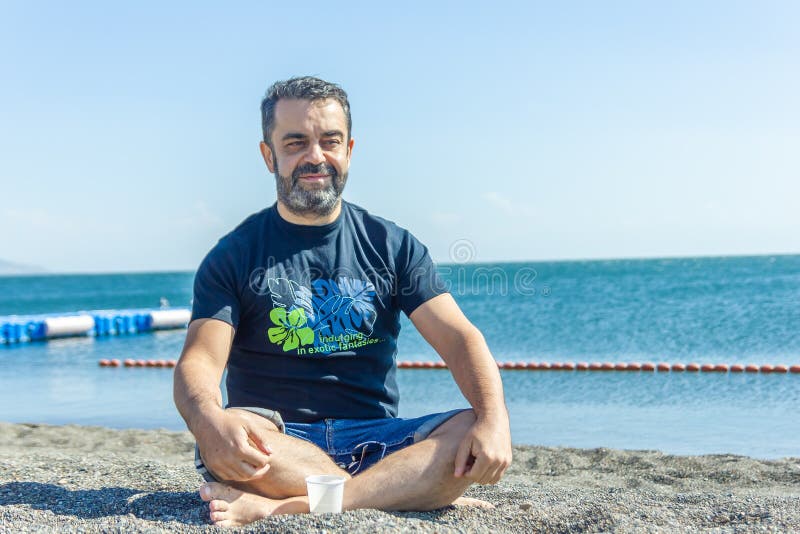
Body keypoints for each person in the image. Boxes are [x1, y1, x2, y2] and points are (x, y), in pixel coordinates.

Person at [173, 76, 512, 527]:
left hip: (378, 441)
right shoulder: (233, 255)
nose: (315, 157)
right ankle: (397, 491)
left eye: (330, 142)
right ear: (269, 155)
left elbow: (458, 338)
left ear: (349, 150)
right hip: (277, 442)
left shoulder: (392, 245)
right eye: (296, 143)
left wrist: (495, 418)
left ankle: (287, 506)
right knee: (230, 430)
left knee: (472, 425)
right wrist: (206, 420)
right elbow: (199, 360)